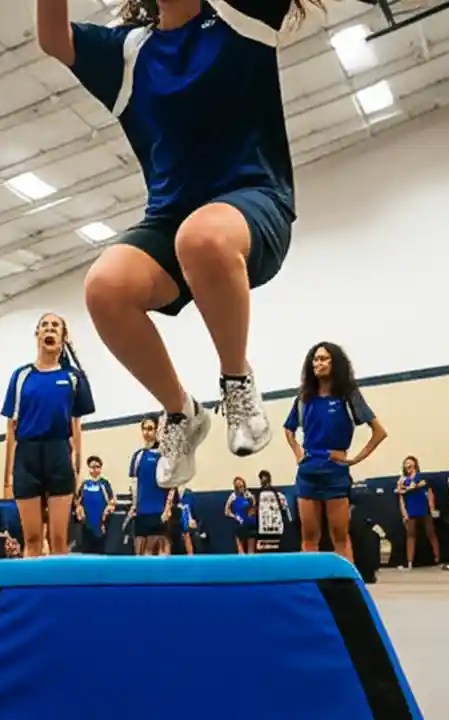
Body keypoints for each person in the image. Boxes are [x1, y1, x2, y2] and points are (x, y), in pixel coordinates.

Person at [37, 0, 326, 490]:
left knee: (201, 237)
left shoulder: (240, 15)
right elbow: (53, 38)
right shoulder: (128, 53)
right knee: (104, 287)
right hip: (169, 220)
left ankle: (236, 381)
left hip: (253, 204)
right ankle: (181, 412)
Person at [1, 313, 95, 557]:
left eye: (55, 326)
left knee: (59, 539)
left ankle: (59, 582)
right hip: (27, 456)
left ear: (63, 337)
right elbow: (11, 427)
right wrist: (7, 478)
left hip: (59, 455)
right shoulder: (21, 376)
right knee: (32, 538)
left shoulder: (72, 377)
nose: (49, 329)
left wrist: (76, 466)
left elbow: (76, 424)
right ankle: (31, 582)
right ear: (37, 334)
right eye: (44, 325)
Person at [283, 341, 387, 562]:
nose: (318, 363)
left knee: (340, 537)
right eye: (315, 359)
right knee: (309, 538)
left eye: (323, 359)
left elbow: (379, 432)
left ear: (335, 363)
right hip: (308, 472)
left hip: (335, 472)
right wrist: (298, 454)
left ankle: (346, 580)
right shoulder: (303, 399)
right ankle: (311, 580)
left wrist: (354, 460)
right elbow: (288, 429)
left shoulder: (348, 397)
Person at [129, 418, 173, 556]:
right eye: (144, 429)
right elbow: (134, 483)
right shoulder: (138, 456)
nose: (146, 432)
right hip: (142, 512)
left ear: (156, 431)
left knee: (160, 554)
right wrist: (134, 506)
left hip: (159, 512)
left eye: (150, 429)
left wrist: (167, 509)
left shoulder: (164, 455)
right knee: (141, 556)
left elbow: (172, 484)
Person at [395, 457, 440, 570]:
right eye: (406, 464)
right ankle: (409, 562)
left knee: (431, 533)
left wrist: (432, 508)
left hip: (423, 508)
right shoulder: (402, 480)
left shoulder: (421, 477)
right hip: (411, 509)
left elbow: (427, 491)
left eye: (410, 463)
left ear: (415, 465)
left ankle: (438, 558)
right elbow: (400, 495)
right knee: (410, 535)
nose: (408, 466)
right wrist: (404, 513)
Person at [75, 455, 115, 554]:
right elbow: (78, 502)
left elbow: (111, 501)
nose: (94, 469)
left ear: (100, 468)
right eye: (92, 467)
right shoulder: (84, 484)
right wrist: (79, 511)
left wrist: (106, 514)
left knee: (100, 550)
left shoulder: (104, 484)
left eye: (97, 467)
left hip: (100, 523)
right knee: (87, 551)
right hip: (87, 524)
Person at [224, 477, 257, 554]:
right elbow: (226, 511)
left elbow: (254, 505)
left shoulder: (249, 495)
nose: (240, 487)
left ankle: (251, 560)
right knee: (240, 550)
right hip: (239, 524)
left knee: (251, 551)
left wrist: (252, 511)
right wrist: (234, 516)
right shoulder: (233, 496)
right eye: (238, 486)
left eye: (241, 485)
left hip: (250, 523)